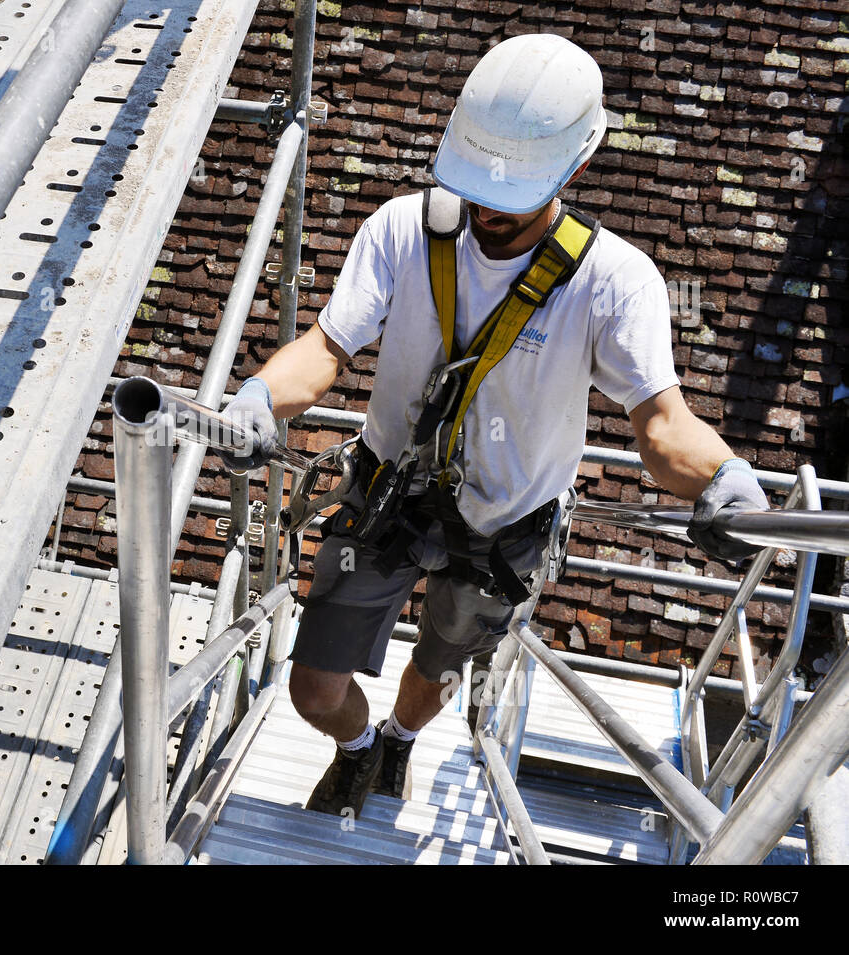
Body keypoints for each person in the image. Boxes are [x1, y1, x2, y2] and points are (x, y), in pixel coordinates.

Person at [217, 33, 768, 818]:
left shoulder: (612, 282)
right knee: (313, 684)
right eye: (474, 191)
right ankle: (357, 745)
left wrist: (721, 479)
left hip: (503, 527)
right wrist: (259, 398)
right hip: (386, 497)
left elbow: (661, 424)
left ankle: (401, 738)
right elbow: (327, 348)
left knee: (437, 669)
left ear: (573, 172)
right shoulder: (403, 231)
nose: (485, 213)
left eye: (507, 201)